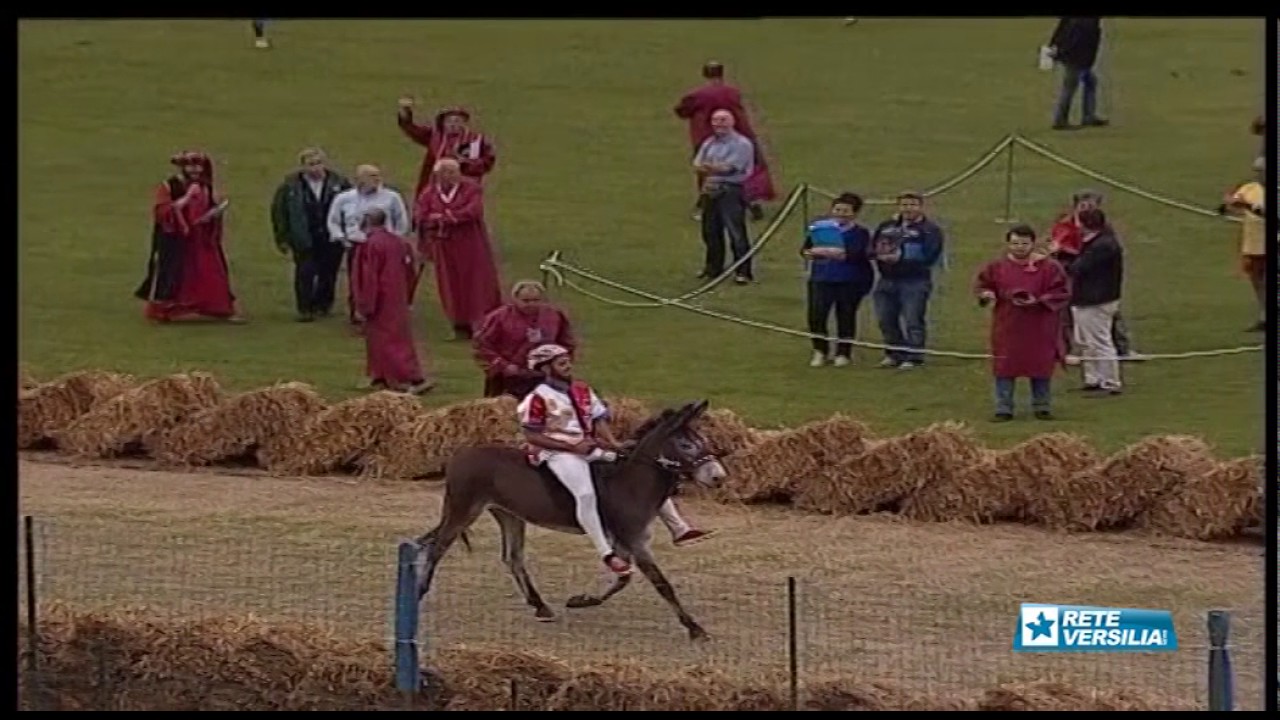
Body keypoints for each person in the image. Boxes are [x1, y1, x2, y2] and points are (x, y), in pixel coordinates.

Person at [516, 344, 711, 578]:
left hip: (588, 447)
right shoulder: (536, 399)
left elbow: (599, 420)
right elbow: (532, 435)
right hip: (557, 452)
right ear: (546, 368)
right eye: (561, 363)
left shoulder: (582, 389)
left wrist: (614, 444)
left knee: (640, 470)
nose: (568, 365)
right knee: (585, 494)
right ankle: (607, 553)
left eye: (568, 360)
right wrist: (571, 446)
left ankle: (679, 528)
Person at [974, 225, 1072, 421]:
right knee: (1004, 366)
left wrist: (1038, 300)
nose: (1020, 247)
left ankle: (1042, 406)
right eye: (1015, 243)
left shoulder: (1050, 267)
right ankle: (1003, 408)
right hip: (1008, 327)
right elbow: (983, 285)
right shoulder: (996, 267)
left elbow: (1061, 292)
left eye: (1024, 243)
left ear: (1032, 243)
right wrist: (987, 294)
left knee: (1040, 366)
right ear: (1008, 244)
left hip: (1040, 326)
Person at [135, 151, 243, 324]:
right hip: (175, 239)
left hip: (200, 239)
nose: (195, 170)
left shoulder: (205, 187)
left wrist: (213, 215)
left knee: (211, 272)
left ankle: (218, 307)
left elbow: (206, 209)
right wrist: (186, 199)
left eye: (198, 166)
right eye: (191, 166)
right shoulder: (169, 186)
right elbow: (162, 211)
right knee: (173, 273)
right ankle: (165, 309)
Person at [673, 61, 777, 221]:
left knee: (708, 172)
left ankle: (706, 206)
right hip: (739, 134)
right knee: (742, 170)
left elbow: (682, 110)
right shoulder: (732, 92)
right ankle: (752, 202)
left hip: (709, 137)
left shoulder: (698, 95)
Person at [414, 158, 503, 340]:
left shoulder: (471, 189)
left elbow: (473, 211)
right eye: (448, 172)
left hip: (470, 245)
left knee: (477, 282)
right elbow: (421, 215)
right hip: (444, 246)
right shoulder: (429, 193)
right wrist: (441, 219)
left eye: (455, 172)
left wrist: (445, 217)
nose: (454, 176)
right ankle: (459, 324)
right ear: (438, 175)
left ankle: (483, 324)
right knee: (450, 284)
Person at [351, 209, 433, 395]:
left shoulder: (369, 245)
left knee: (384, 339)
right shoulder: (399, 242)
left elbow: (368, 276)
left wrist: (364, 304)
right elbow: (410, 271)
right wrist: (408, 294)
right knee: (397, 336)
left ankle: (405, 377)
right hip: (398, 296)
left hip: (380, 298)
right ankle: (380, 375)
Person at [1048, 190, 1137, 361]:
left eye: (1091, 206)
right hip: (1070, 273)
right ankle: (1066, 350)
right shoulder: (1065, 225)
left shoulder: (1102, 226)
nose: (1087, 209)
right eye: (1084, 206)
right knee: (1065, 314)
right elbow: (1058, 245)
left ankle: (1122, 349)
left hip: (1095, 278)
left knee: (1110, 314)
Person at [271, 147, 352, 322]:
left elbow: (351, 209)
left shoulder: (339, 183)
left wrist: (348, 233)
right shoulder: (290, 186)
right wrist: (282, 237)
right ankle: (305, 308)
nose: (315, 168)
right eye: (311, 164)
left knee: (329, 272)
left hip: (332, 236)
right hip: (304, 236)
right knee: (305, 272)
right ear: (303, 167)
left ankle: (323, 305)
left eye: (318, 163)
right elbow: (279, 212)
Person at [327, 165, 411, 325]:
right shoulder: (344, 198)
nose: (376, 179)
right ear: (358, 179)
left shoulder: (391, 197)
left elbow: (402, 221)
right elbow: (333, 220)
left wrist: (396, 241)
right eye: (371, 176)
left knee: (385, 280)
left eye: (377, 175)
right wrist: (341, 238)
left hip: (384, 247)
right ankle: (358, 314)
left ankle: (386, 313)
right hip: (357, 245)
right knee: (358, 280)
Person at [870, 191, 945, 369]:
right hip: (886, 279)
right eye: (904, 205)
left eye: (912, 205)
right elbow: (872, 248)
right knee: (885, 319)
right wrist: (880, 255)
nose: (908, 208)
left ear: (920, 207)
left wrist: (901, 258)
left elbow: (930, 256)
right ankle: (894, 353)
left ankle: (914, 356)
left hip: (915, 281)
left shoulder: (930, 230)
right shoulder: (887, 226)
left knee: (913, 319)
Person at [800, 192, 875, 367]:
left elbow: (857, 253)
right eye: (838, 209)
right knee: (816, 315)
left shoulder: (860, 233)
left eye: (845, 210)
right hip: (821, 279)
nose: (840, 213)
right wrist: (809, 253)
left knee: (846, 316)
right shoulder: (820, 228)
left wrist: (838, 254)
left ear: (854, 213)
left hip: (849, 280)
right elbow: (806, 248)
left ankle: (843, 353)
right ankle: (820, 350)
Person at [473, 280, 577, 398]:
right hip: (510, 376)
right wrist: (503, 366)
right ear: (515, 299)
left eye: (536, 300)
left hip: (547, 375)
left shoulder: (554, 315)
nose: (531, 304)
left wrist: (561, 362)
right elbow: (483, 344)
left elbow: (566, 341)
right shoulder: (499, 318)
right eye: (526, 301)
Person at [694, 109, 756, 285]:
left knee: (736, 232)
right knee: (710, 231)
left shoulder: (742, 144)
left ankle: (743, 272)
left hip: (731, 190)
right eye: (715, 120)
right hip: (710, 190)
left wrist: (710, 167)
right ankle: (713, 268)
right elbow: (697, 164)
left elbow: (730, 168)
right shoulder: (709, 142)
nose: (718, 124)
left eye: (722, 120)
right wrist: (713, 168)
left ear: (732, 122)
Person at [1067, 208, 1124, 396]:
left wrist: (1056, 256)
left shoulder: (1102, 246)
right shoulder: (1097, 242)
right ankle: (1093, 378)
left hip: (1096, 300)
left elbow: (1079, 267)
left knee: (1100, 341)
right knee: (1085, 341)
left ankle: (1110, 381)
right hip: (1088, 299)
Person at [397, 99, 497, 202]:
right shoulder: (434, 137)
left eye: (457, 121)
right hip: (434, 185)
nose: (453, 124)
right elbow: (413, 130)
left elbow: (487, 163)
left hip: (463, 188)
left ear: (464, 123)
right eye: (449, 121)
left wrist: (465, 163)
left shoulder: (476, 141)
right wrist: (406, 114)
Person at [1218, 156, 1266, 332]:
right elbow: (1228, 206)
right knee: (1257, 280)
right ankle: (1264, 315)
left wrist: (1247, 205)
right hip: (1253, 244)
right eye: (1259, 172)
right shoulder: (1250, 188)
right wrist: (1227, 203)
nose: (1261, 175)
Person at [1046, 17, 1109, 130]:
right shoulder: (1087, 22)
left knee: (1090, 82)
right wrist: (1061, 52)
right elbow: (1079, 39)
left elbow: (1061, 28)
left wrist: (1054, 45)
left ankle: (1088, 116)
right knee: (1069, 88)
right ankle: (1060, 120)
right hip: (1077, 58)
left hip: (1078, 57)